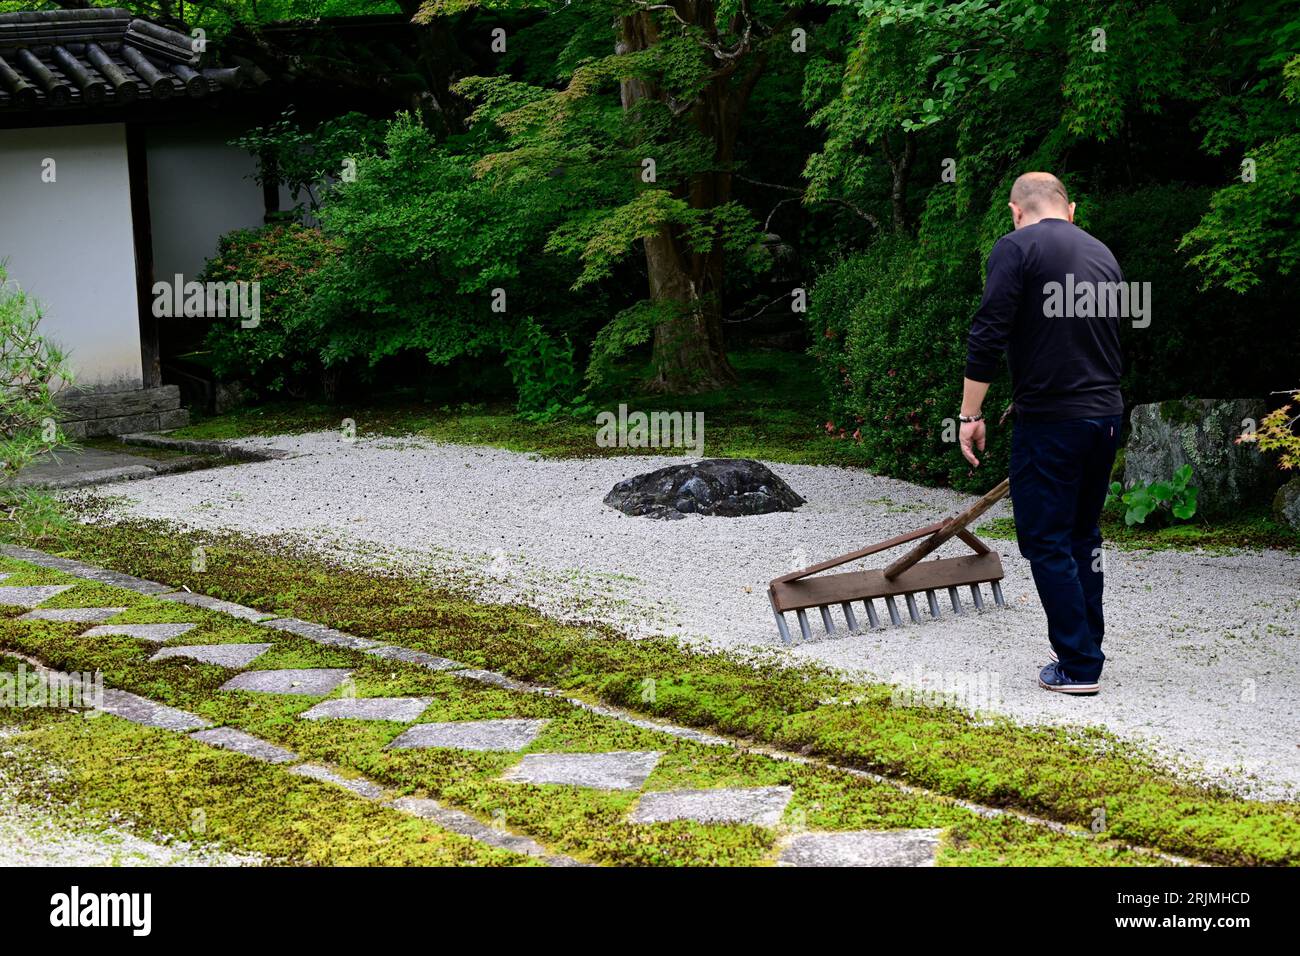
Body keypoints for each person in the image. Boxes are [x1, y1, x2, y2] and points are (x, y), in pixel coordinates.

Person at [958, 172, 1125, 696]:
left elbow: (988, 332)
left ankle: (1078, 666)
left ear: (1016, 211)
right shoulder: (1102, 254)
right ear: (1070, 208)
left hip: (1053, 420)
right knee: (1081, 535)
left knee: (1045, 538)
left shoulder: (1016, 248)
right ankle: (1084, 648)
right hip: (1106, 415)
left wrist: (969, 415)